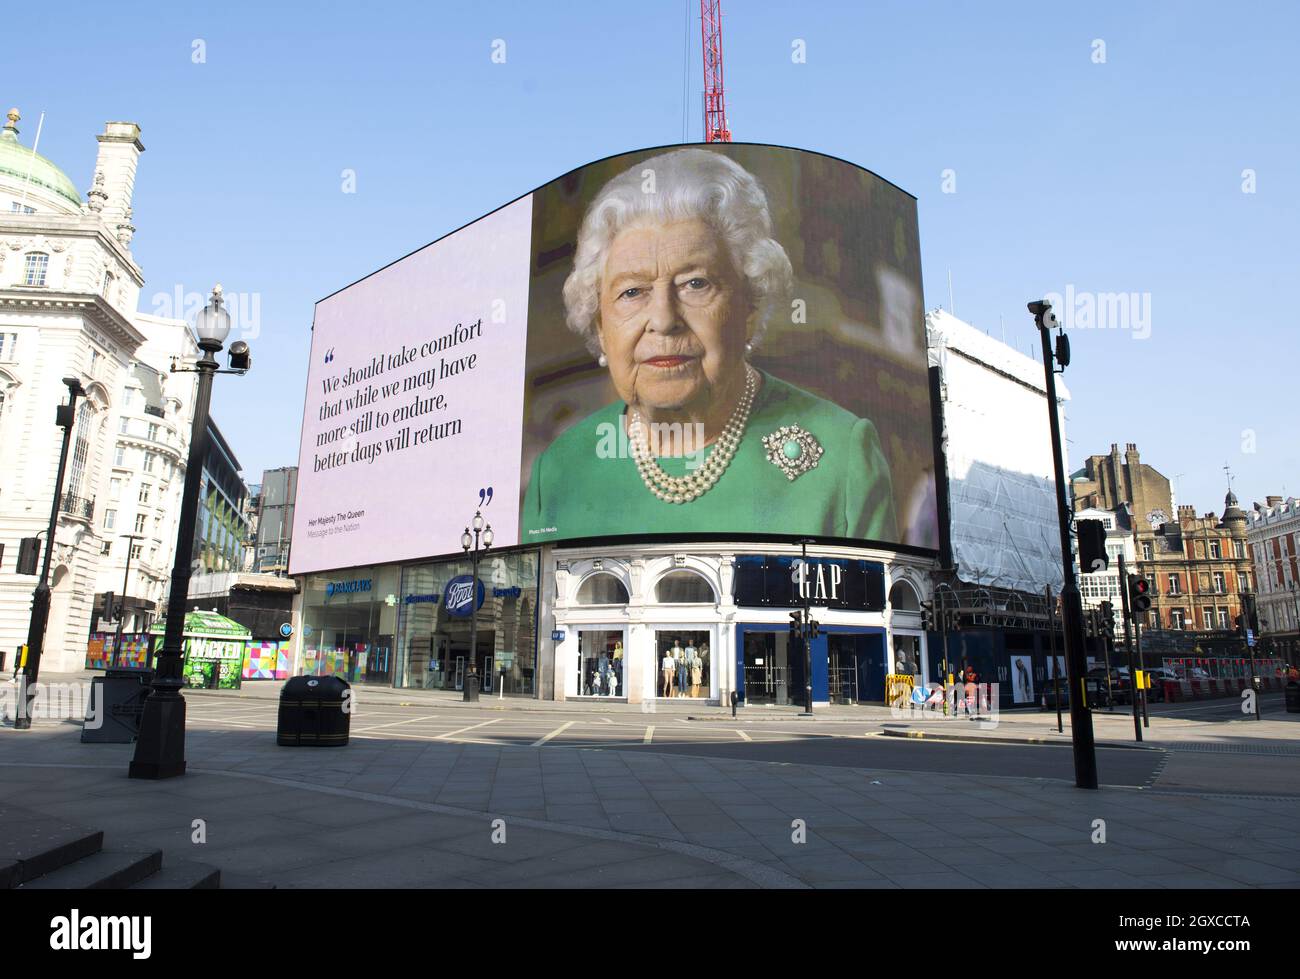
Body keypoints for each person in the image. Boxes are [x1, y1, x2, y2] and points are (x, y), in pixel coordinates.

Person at [521, 148, 898, 542]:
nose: (664, 319)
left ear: (748, 307)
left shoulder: (842, 455)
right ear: (600, 326)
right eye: (632, 292)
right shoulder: (559, 472)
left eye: (695, 284)